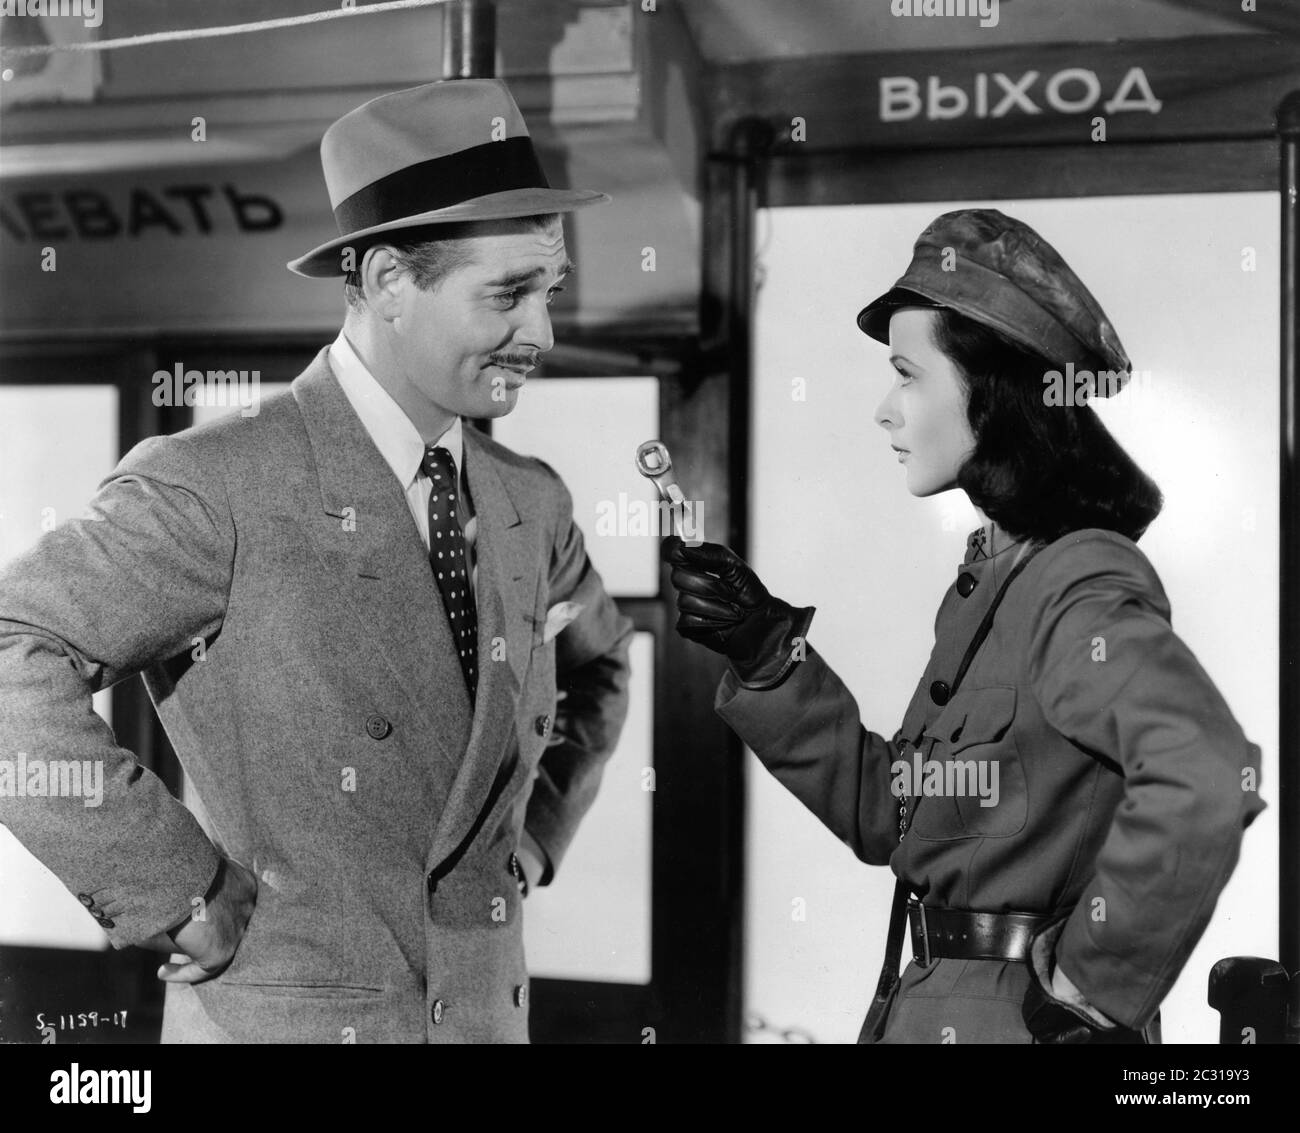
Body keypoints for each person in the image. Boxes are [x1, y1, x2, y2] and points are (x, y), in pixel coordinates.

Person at [0, 78, 633, 1043]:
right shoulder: (219, 483)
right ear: (387, 280)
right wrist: (175, 887)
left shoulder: (529, 501)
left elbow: (601, 666)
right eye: (508, 294)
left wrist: (534, 842)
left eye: (548, 291)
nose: (542, 334)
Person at [663, 208, 1264, 1044]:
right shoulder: (998, 580)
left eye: (908, 373)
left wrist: (1091, 990)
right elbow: (891, 814)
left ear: (992, 390)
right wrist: (767, 649)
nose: (884, 408)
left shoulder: (1074, 583)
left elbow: (1204, 772)